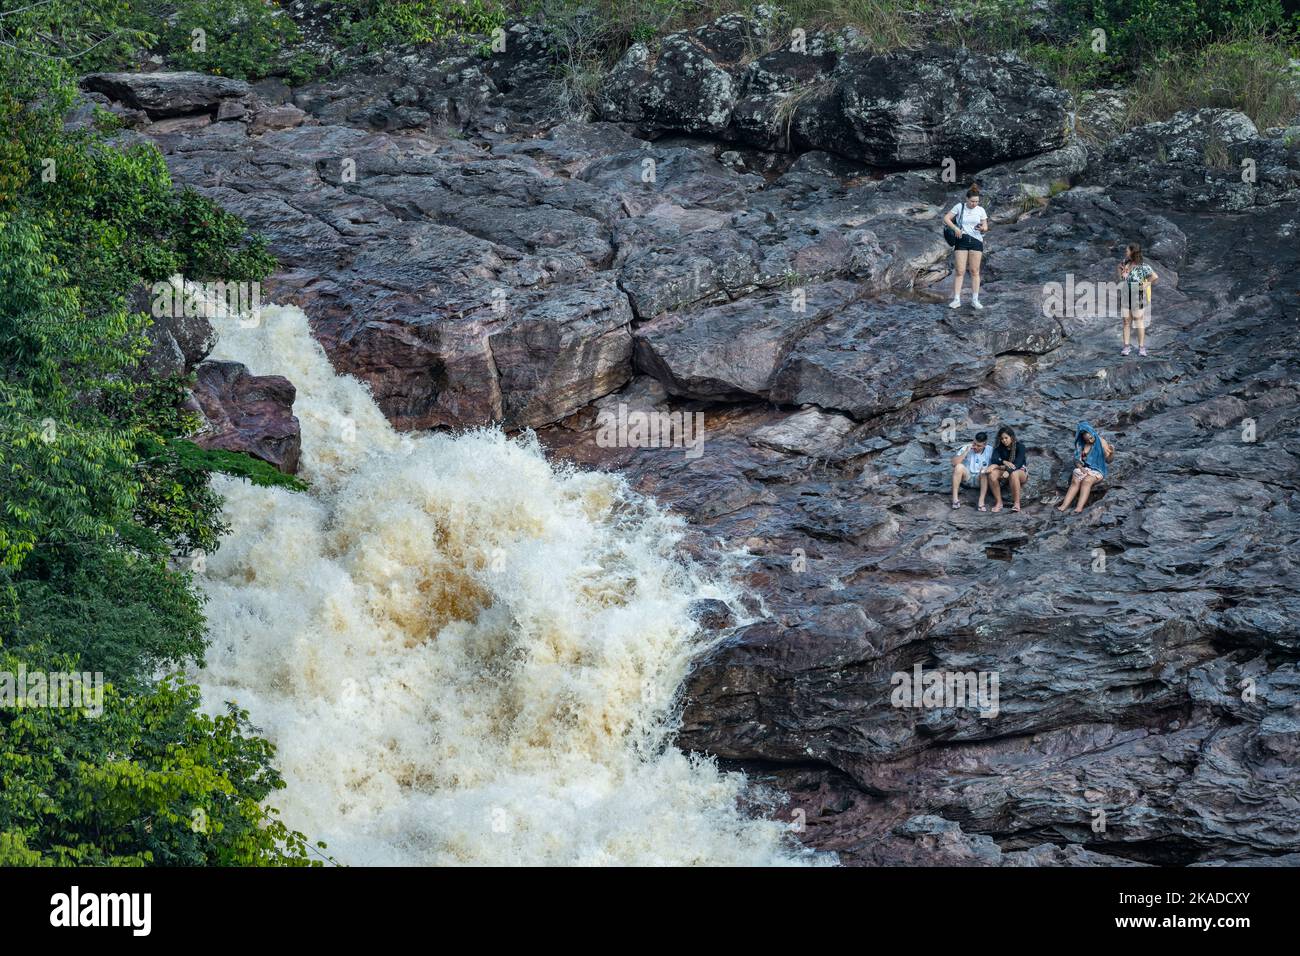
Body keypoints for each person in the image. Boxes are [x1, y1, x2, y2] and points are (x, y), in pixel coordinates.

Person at [944, 184, 990, 310]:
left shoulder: (981, 210)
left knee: (975, 271)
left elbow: (985, 227)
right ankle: (956, 300)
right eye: (972, 201)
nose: (974, 204)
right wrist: (955, 228)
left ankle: (975, 300)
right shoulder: (960, 207)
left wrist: (983, 228)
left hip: (976, 241)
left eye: (976, 201)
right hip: (961, 241)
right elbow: (946, 218)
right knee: (960, 271)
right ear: (967, 199)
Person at [1057, 421, 1114, 514]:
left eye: (1091, 438)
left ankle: (1079, 507)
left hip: (1097, 469)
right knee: (1075, 481)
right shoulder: (1081, 445)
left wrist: (1111, 453)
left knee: (1087, 481)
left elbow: (1109, 460)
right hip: (1084, 468)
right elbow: (1077, 460)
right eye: (1087, 440)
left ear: (1093, 433)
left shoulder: (1101, 442)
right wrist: (1081, 467)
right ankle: (1064, 505)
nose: (1090, 441)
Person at [1118, 242, 1158, 356]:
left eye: (1127, 250)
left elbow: (1155, 276)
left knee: (1138, 320)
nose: (1126, 252)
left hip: (1137, 293)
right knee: (1126, 321)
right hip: (1126, 292)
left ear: (1133, 252)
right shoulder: (1125, 263)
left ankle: (1141, 348)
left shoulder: (1143, 266)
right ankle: (1126, 347)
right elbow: (1120, 275)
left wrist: (1146, 284)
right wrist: (1122, 274)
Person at [986, 426, 1028, 513]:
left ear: (1011, 437)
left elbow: (1018, 463)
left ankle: (1016, 503)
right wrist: (1004, 461)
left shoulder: (1020, 447)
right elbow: (994, 459)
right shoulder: (999, 448)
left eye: (1006, 438)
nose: (1004, 440)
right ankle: (999, 502)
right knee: (992, 474)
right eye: (1002, 439)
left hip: (1019, 471)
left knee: (1014, 474)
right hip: (1004, 468)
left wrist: (1008, 471)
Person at [951, 431, 993, 510]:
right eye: (975, 443)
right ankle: (955, 500)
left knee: (984, 471)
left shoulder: (990, 450)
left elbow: (995, 464)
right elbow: (954, 463)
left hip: (981, 479)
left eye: (979, 445)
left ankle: (981, 502)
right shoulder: (967, 447)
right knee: (958, 467)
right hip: (967, 477)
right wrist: (966, 452)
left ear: (985, 444)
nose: (975, 447)